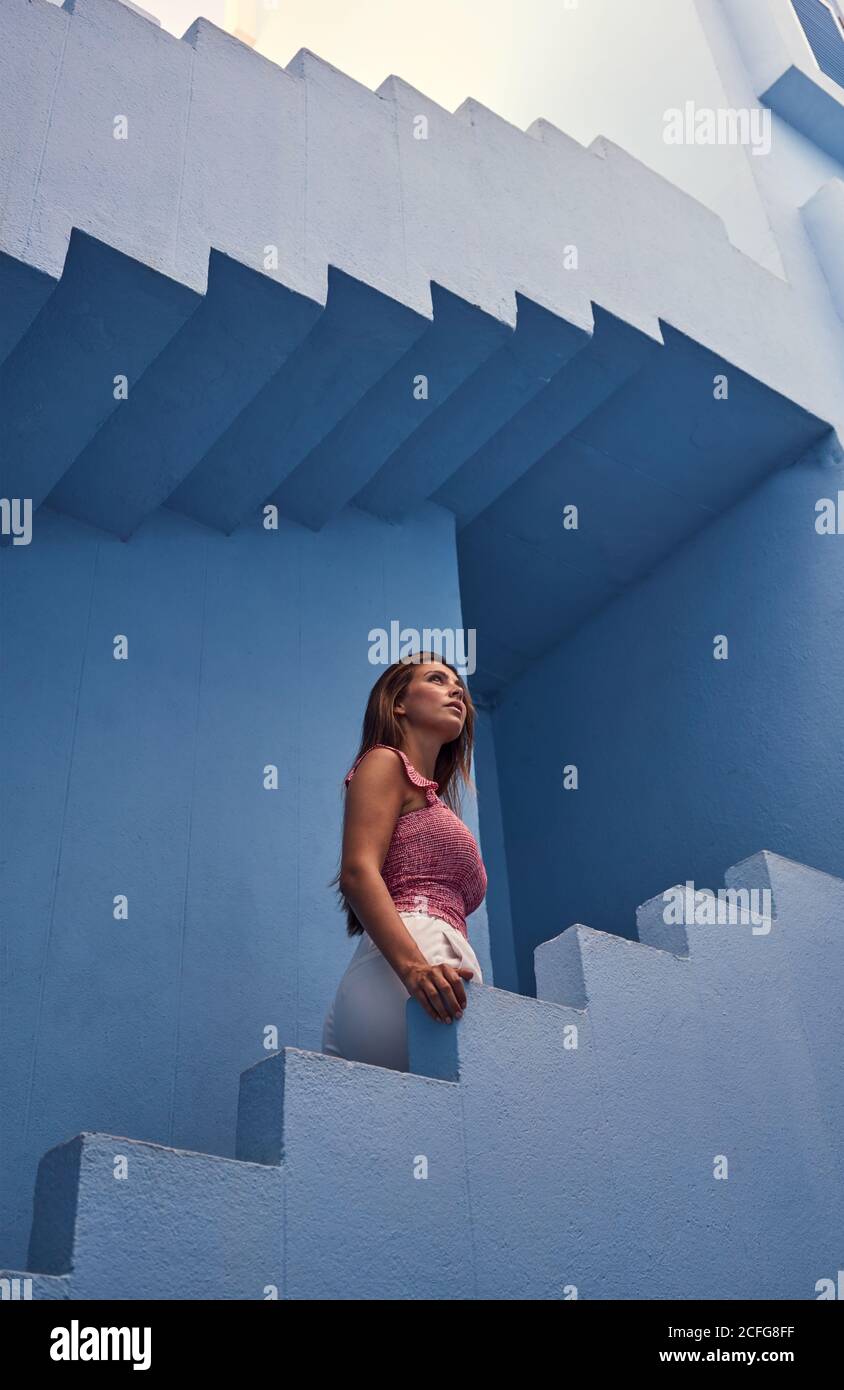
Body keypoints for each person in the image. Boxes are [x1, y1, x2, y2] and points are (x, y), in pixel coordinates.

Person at [321, 653, 487, 1072]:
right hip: (412, 968)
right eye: (436, 679)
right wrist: (415, 970)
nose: (456, 692)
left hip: (393, 974)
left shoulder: (433, 800)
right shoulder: (385, 761)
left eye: (459, 688)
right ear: (399, 702)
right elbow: (358, 873)